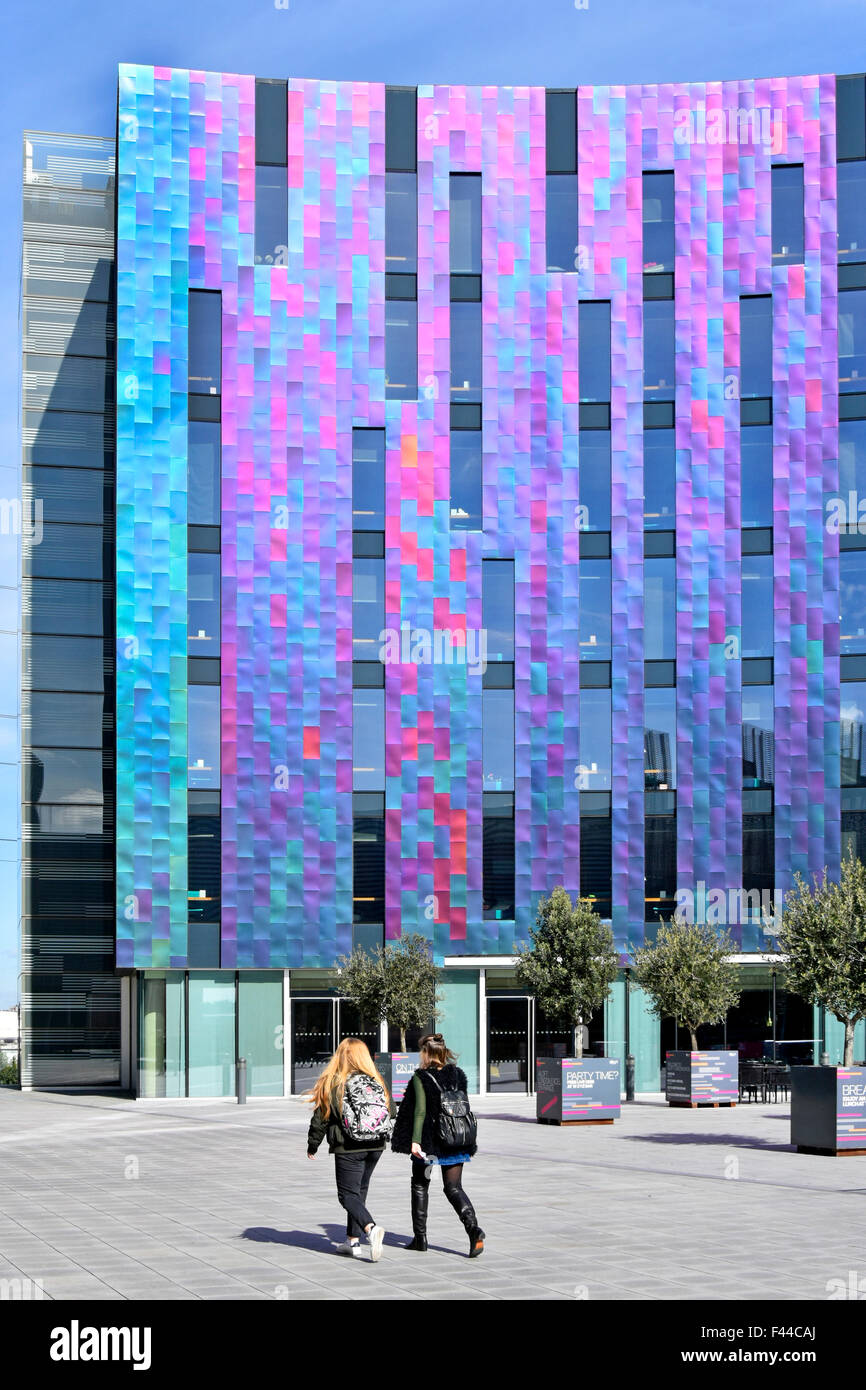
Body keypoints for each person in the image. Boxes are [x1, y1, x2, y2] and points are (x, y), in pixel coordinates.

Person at [391, 1032, 485, 1257]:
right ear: (443, 1052)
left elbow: (420, 1111)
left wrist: (414, 1141)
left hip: (430, 1144)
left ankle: (420, 1238)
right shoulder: (458, 1074)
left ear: (425, 1053)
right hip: (455, 1139)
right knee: (454, 1188)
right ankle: (474, 1230)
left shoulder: (420, 1077)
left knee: (420, 1184)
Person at [306, 1037, 393, 1260]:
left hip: (349, 1145)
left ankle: (370, 1229)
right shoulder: (375, 1080)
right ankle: (352, 1242)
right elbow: (391, 1110)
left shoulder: (334, 1081)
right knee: (359, 1192)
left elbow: (321, 1118)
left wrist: (312, 1145)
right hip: (376, 1144)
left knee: (347, 1195)